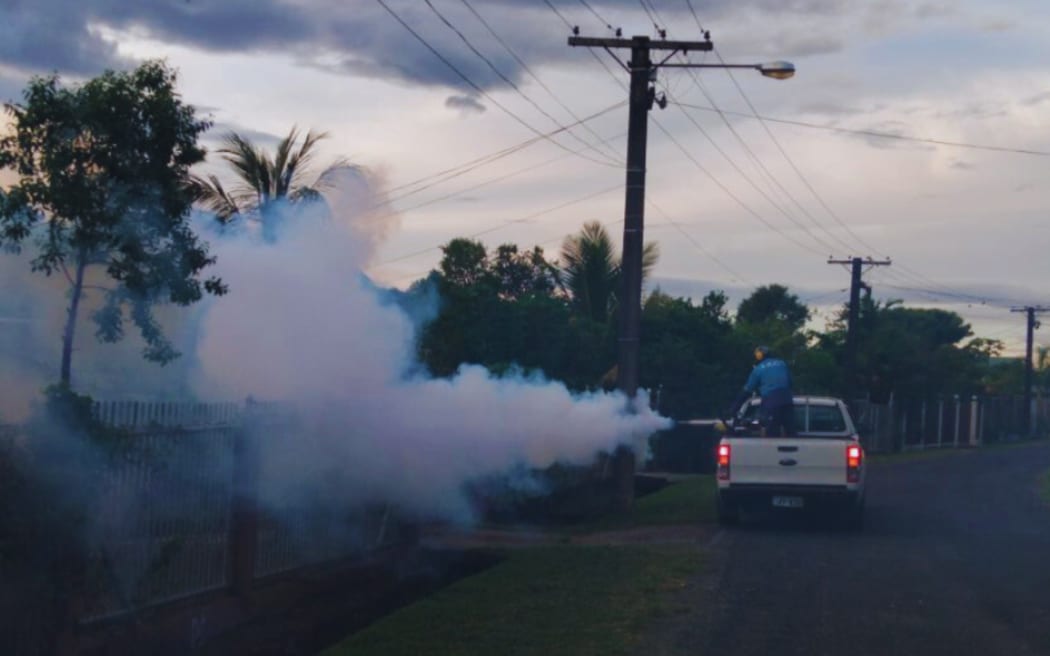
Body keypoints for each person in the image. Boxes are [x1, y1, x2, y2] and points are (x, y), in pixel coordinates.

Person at [729, 345, 795, 437]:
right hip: (787, 400)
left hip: (772, 402)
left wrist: (734, 408)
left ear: (759, 355)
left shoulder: (758, 369)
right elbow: (791, 382)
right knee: (790, 430)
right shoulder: (782, 363)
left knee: (772, 432)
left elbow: (747, 390)